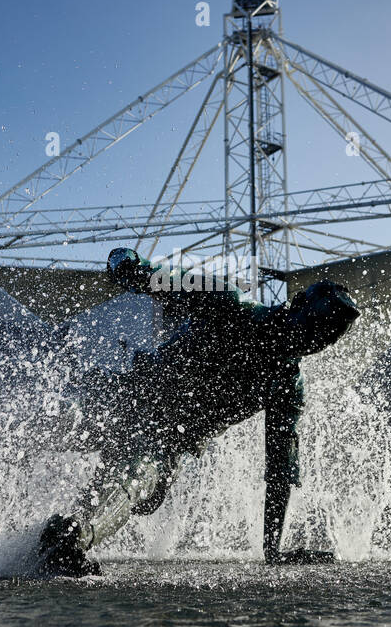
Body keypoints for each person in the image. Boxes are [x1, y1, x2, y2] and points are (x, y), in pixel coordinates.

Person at [35, 247, 360, 576]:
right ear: (299, 303)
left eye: (322, 341)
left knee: (137, 476)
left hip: (165, 442)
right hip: (129, 396)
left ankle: (70, 538)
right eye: (312, 328)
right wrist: (126, 264)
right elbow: (160, 280)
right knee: (62, 415)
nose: (310, 342)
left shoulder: (286, 386)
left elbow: (279, 472)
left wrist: (273, 551)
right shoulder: (228, 302)